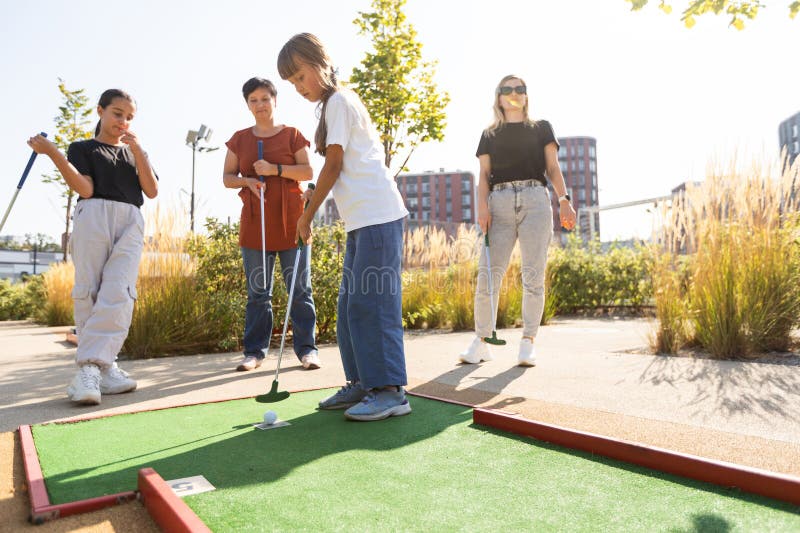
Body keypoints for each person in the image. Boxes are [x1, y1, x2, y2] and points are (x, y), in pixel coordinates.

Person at [277, 33, 411, 421]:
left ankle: (389, 390)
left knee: (373, 304)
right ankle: (362, 383)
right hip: (362, 220)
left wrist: (307, 216)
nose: (299, 88)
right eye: (293, 83)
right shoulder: (331, 107)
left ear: (319, 63)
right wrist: (314, 194)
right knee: (350, 306)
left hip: (378, 215)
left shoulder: (338, 100)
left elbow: (334, 164)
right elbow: (336, 166)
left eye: (300, 77)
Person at [27, 89, 158, 405]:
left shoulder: (134, 152)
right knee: (90, 290)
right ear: (100, 110)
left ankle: (96, 366)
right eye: (117, 113)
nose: (123, 121)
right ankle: (97, 369)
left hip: (131, 219)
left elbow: (151, 190)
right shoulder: (82, 148)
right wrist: (53, 152)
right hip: (93, 213)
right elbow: (83, 187)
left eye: (129, 117)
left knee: (120, 290)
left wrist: (140, 151)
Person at [459, 74, 576, 367]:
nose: (514, 93)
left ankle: (528, 342)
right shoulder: (489, 134)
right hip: (498, 204)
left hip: (536, 200)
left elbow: (553, 167)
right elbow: (483, 177)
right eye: (507, 89)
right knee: (488, 274)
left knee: (533, 274)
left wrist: (564, 201)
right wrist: (482, 208)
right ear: (498, 97)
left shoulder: (541, 128)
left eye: (519, 89)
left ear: (526, 96)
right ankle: (482, 340)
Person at [223, 77, 320, 373]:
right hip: (256, 224)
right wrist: (248, 180)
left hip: (292, 222)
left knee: (299, 290)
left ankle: (307, 351)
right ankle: (254, 353)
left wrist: (274, 169)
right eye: (253, 100)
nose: (260, 105)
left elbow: (307, 170)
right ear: (247, 105)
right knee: (258, 293)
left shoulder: (292, 135)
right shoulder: (240, 139)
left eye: (265, 98)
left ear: (275, 101)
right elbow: (227, 177)